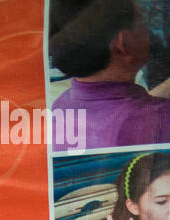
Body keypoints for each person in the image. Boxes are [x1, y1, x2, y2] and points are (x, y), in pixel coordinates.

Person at [50, 0, 170, 148]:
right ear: (122, 43)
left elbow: (133, 107)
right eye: (141, 20)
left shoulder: (61, 107)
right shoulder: (159, 121)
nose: (147, 29)